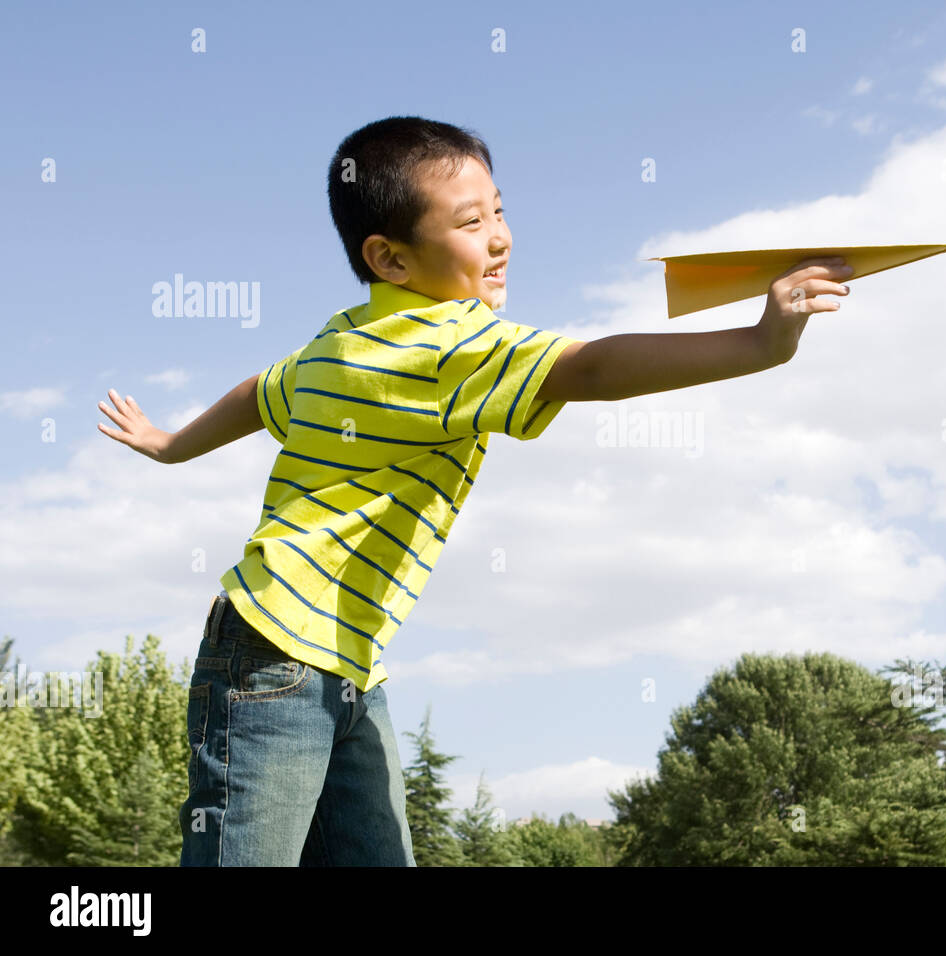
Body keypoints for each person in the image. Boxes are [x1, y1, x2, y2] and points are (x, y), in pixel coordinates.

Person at [95, 115, 853, 865]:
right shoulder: (449, 343)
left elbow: (262, 391)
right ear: (390, 258)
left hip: (343, 666)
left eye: (499, 210)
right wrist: (758, 344)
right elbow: (590, 368)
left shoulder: (342, 339)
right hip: (276, 662)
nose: (499, 237)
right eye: (469, 222)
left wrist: (171, 445)